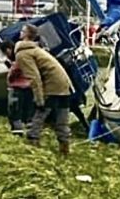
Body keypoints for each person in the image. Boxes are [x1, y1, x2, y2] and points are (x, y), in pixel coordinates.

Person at [15, 24, 73, 155]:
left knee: (40, 114)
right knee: (62, 119)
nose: (20, 32)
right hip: (64, 84)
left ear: (26, 35)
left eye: (22, 30)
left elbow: (34, 77)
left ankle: (32, 145)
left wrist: (39, 98)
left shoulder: (23, 53)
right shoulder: (37, 50)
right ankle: (65, 149)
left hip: (52, 85)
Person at [1, 40, 33, 136]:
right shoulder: (26, 55)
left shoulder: (18, 59)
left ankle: (17, 132)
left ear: (8, 50)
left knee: (15, 112)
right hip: (29, 87)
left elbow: (12, 75)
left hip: (18, 88)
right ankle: (31, 134)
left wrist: (10, 72)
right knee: (28, 111)